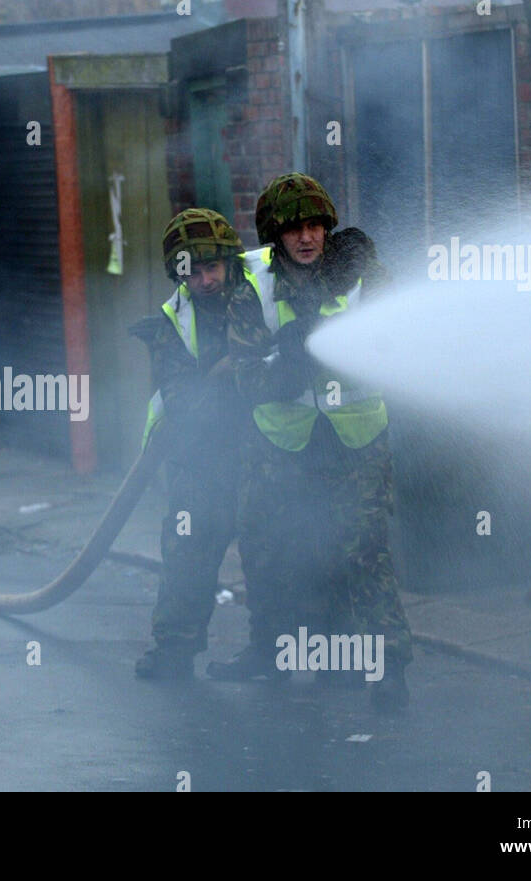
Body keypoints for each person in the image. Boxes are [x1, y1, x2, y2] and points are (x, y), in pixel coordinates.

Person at [206, 172, 414, 712]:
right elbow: (246, 379)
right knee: (263, 544)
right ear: (275, 234)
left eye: (316, 226)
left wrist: (340, 353)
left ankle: (387, 668)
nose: (307, 237)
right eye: (294, 227)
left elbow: (397, 350)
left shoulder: (364, 275)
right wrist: (288, 363)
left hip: (356, 438)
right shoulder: (252, 282)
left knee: (364, 551)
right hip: (280, 443)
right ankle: (270, 654)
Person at [133, 209, 253, 680]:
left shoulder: (257, 293)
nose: (204, 280)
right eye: (193, 272)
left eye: (212, 268)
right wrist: (224, 372)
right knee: (186, 556)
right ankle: (173, 650)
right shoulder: (171, 325)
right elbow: (183, 400)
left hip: (259, 452)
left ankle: (276, 651)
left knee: (272, 553)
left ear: (228, 262)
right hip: (198, 462)